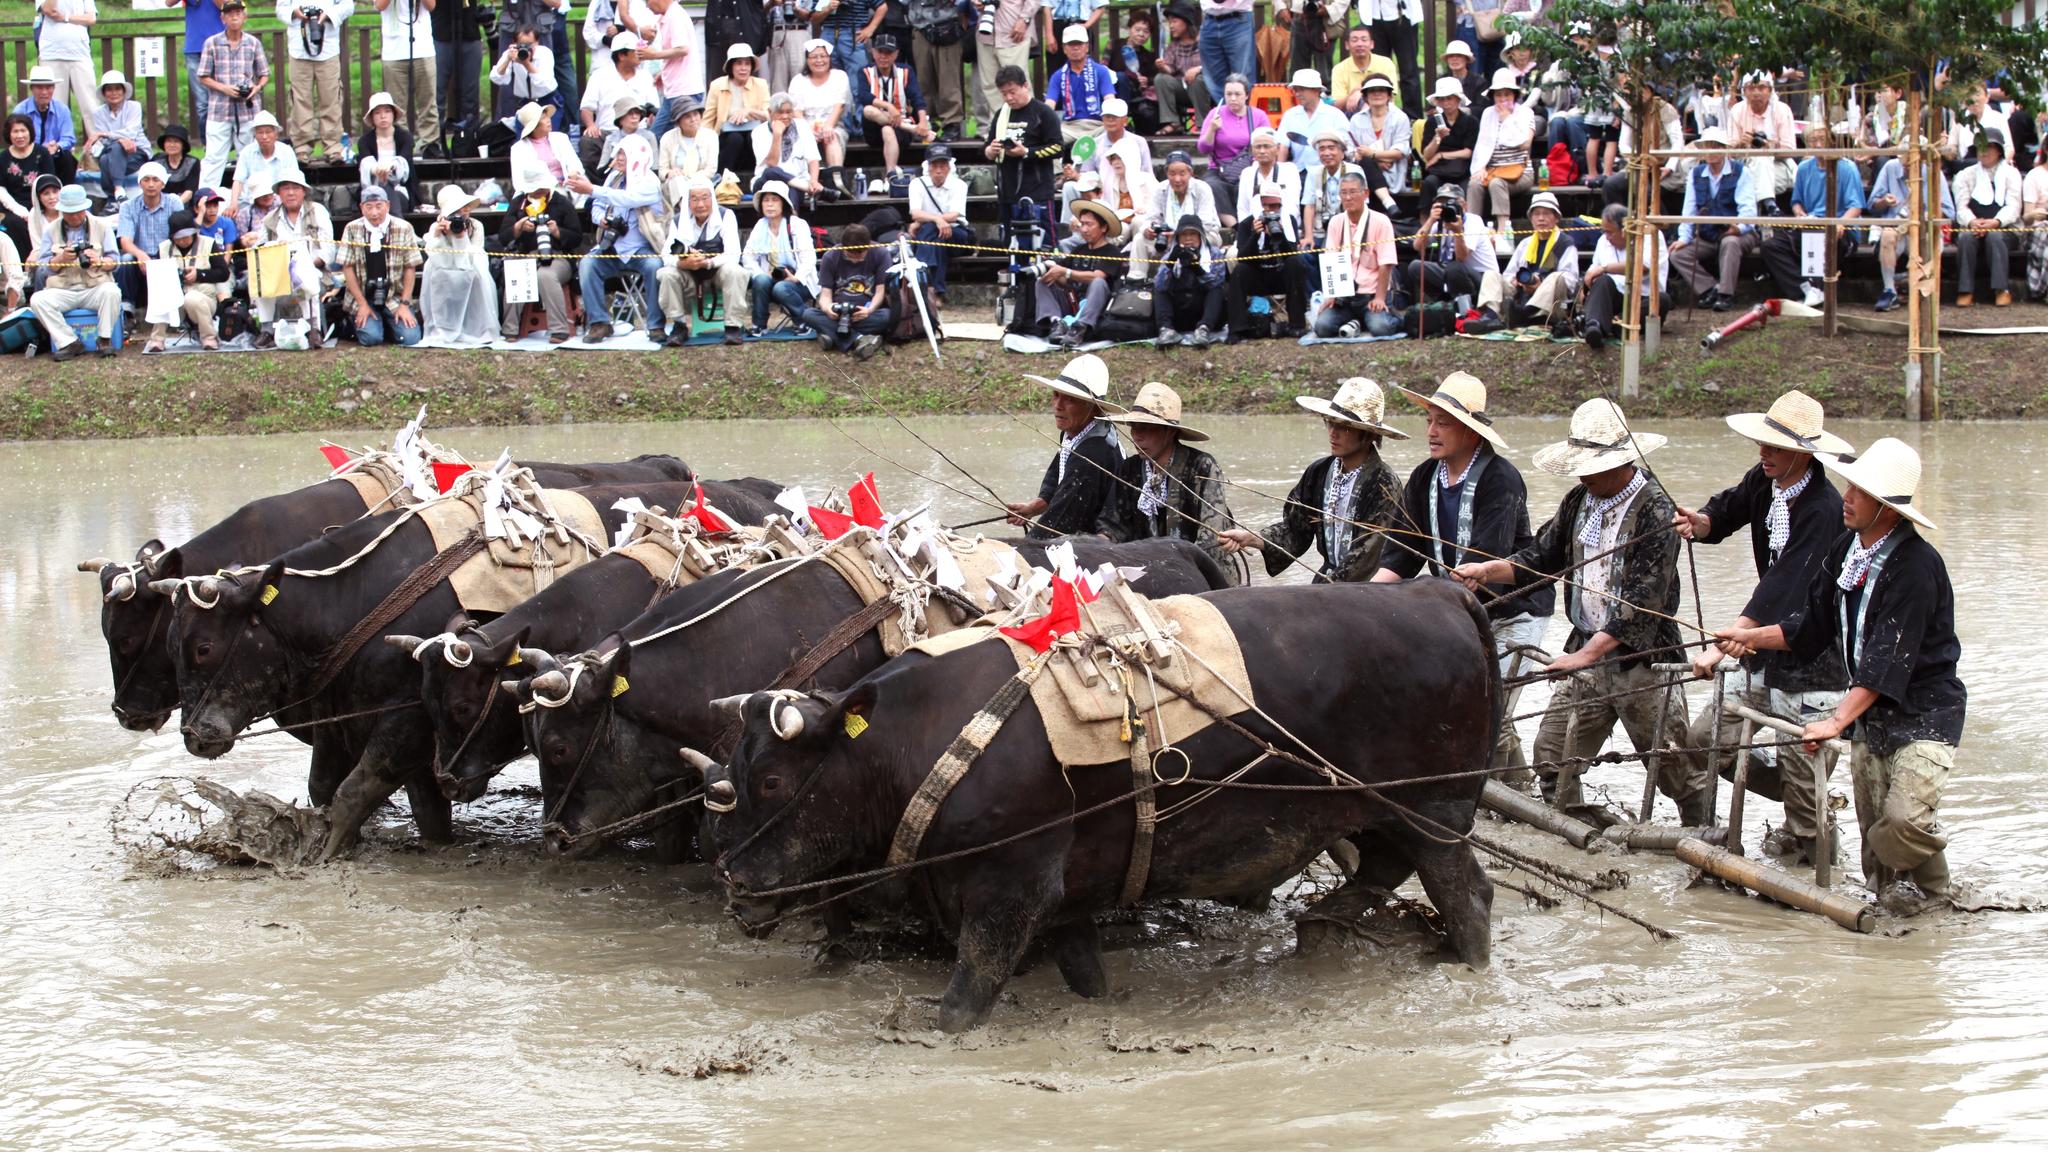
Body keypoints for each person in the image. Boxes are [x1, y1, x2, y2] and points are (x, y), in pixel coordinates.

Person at [1710, 438, 1967, 917]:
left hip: (1925, 713)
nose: (1845, 499)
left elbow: (1884, 662)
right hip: (1873, 714)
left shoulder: (1915, 566)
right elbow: (1810, 628)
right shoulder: (1848, 548)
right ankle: (1916, 916)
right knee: (1876, 848)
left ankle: (1941, 897)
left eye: (1860, 493)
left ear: (1887, 509)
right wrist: (1748, 637)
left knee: (1899, 822)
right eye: (1849, 487)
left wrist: (1833, 722)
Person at [1451, 398, 1706, 826]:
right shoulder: (1579, 499)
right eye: (1580, 465)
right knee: (1552, 758)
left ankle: (1704, 836)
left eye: (1592, 465)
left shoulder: (1657, 511)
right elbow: (1540, 556)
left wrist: (1585, 657)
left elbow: (1642, 605)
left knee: (1673, 770)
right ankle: (1585, 834)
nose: (1584, 474)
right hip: (1586, 651)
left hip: (1640, 663)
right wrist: (1488, 569)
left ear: (1623, 461)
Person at [1675, 390, 1854, 863]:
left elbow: (1785, 584)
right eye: (1762, 443)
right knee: (1706, 739)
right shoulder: (1765, 480)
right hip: (1762, 648)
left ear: (1803, 453)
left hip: (1813, 661)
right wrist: (1702, 522)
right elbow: (1729, 508)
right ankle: (1805, 802)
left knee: (1803, 791)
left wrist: (1725, 642)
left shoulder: (1823, 508)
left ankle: (1816, 841)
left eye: (1774, 447)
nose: (1763, 453)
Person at [1373, 371, 1552, 764]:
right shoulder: (1424, 477)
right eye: (1429, 421)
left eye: (1444, 423)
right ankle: (1516, 793)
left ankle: (1505, 795)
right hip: (1453, 607)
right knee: (1470, 709)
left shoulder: (1502, 479)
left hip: (1511, 610)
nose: (1432, 432)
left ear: (1471, 432)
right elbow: (1401, 554)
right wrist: (1363, 601)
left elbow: (1482, 568)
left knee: (1489, 708)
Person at [1218, 377, 1405, 581]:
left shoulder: (1384, 484)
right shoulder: (1319, 472)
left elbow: (1367, 554)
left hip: (1369, 587)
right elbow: (1295, 529)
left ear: (1369, 435)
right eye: (1330, 423)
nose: (1333, 433)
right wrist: (1253, 538)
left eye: (1345, 427)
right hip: (1327, 581)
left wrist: (1324, 591)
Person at [1099, 381, 1233, 569]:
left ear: (1169, 431)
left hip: (1201, 571)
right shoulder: (1129, 470)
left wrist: (1179, 568)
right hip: (1148, 568)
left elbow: (1212, 534)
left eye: (1145, 427)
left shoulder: (1201, 467)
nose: (1136, 435)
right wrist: (1099, 545)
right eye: (1133, 426)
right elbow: (1113, 525)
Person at [1006, 352, 1125, 537]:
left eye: (1070, 399)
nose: (1058, 405)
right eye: (1056, 395)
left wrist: (1026, 547)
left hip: (1097, 545)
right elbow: (1059, 477)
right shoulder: (1077, 433)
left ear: (1092, 407)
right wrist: (1036, 506)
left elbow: (1058, 523)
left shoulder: (1092, 456)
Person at [569, 135, 666, 342]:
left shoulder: (650, 181)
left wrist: (591, 189)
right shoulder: (613, 177)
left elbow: (627, 198)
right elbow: (597, 205)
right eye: (618, 152)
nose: (618, 157)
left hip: (641, 247)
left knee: (654, 266)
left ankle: (656, 325)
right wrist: (601, 219)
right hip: (611, 246)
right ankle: (599, 323)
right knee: (587, 264)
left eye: (623, 153)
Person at [1760, 126, 1864, 309]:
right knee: (1771, 245)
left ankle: (1816, 288)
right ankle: (1805, 289)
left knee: (1816, 233)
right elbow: (1796, 202)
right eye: (1813, 140)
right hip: (1810, 224)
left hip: (1839, 229)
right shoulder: (1804, 168)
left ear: (1831, 141)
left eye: (1822, 139)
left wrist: (1840, 224)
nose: (1818, 144)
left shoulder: (1847, 167)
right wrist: (1799, 212)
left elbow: (1855, 206)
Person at [1668, 126, 1759, 312]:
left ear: (1724, 149)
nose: (1710, 150)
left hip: (1740, 233)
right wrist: (1684, 238)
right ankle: (1710, 288)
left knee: (1731, 242)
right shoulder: (1696, 173)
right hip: (1709, 234)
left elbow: (1748, 211)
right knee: (1677, 254)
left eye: (1715, 145)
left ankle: (1726, 294)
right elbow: (1689, 210)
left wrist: (1738, 228)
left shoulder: (1741, 171)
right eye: (1707, 146)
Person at [28, 184, 120, 360]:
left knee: (112, 292)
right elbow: (44, 266)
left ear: (86, 209)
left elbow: (115, 261)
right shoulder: (51, 230)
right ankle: (69, 342)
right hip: (64, 288)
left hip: (95, 286)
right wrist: (61, 258)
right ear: (62, 211)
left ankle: (105, 339)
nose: (75, 216)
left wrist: (99, 262)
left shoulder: (102, 226)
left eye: (79, 211)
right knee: (38, 300)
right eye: (70, 212)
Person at [656, 177, 746, 346]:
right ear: (688, 202)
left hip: (717, 273)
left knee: (736, 271)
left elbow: (734, 253)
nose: (700, 204)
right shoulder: (678, 221)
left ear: (712, 198)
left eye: (705, 198)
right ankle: (679, 325)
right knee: (665, 273)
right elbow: (665, 255)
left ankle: (733, 327)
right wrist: (683, 263)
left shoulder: (726, 216)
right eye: (695, 199)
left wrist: (708, 262)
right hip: (689, 275)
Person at [248, 168, 333, 347]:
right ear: (279, 193)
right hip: (280, 274)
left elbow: (329, 251)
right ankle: (266, 330)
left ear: (304, 191)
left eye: (295, 188)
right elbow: (260, 248)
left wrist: (306, 264)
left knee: (304, 272)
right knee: (263, 278)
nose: (291, 193)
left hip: (313, 271)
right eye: (285, 188)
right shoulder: (271, 219)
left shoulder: (318, 212)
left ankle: (314, 329)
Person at [1865, 141, 1952, 313]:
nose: (1908, 167)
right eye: (1905, 162)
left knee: (1930, 239)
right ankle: (1889, 291)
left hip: (1924, 230)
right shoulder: (1890, 168)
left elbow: (1949, 212)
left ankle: (1924, 289)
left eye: (1913, 162)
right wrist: (1884, 202)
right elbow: (1872, 205)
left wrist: (1928, 215)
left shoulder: (1935, 172)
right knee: (1888, 235)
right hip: (1896, 228)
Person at [1475, 189, 1577, 333]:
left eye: (1546, 213)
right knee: (1491, 274)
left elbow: (1571, 281)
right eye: (1537, 214)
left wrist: (1541, 282)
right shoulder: (1526, 243)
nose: (1541, 218)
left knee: (1556, 277)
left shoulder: (1564, 243)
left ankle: (1528, 314)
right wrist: (1517, 281)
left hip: (1550, 302)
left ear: (1556, 218)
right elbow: (1508, 274)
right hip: (1522, 294)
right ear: (1531, 219)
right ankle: (1491, 316)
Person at [1311, 171, 1399, 338]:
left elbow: (1386, 263)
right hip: (1345, 297)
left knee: (1381, 328)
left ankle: (1388, 316)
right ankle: (1357, 321)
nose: (1348, 198)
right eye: (1344, 193)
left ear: (1365, 194)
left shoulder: (1381, 221)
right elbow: (1331, 258)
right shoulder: (1336, 222)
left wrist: (1380, 298)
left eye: (1353, 192)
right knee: (1322, 327)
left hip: (1371, 293)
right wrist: (1331, 295)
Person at [788, 220, 892, 358]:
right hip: (838, 314)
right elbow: (825, 294)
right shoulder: (831, 256)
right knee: (808, 314)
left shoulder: (880, 253)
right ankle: (859, 338)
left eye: (860, 255)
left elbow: (880, 291)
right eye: (850, 255)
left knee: (888, 316)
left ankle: (832, 336)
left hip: (867, 312)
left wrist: (869, 310)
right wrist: (827, 308)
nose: (855, 260)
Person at [495, 175, 581, 342]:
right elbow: (503, 237)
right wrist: (518, 227)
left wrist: (557, 232)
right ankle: (510, 329)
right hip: (526, 255)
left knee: (546, 275)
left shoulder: (562, 203)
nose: (538, 192)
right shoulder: (519, 202)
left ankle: (559, 329)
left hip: (558, 256)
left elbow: (577, 237)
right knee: (518, 273)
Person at [196, 0, 270, 191]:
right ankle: (205, 199)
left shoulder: (253, 43)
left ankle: (250, 199)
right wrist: (225, 88)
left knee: (249, 156)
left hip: (247, 109)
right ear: (222, 18)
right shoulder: (211, 43)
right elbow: (203, 76)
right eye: (229, 14)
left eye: (238, 13)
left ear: (244, 16)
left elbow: (264, 74)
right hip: (219, 108)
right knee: (213, 157)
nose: (234, 17)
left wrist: (256, 88)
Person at [337, 183, 423, 346]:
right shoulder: (352, 228)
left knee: (410, 338)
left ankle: (390, 325)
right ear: (362, 208)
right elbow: (347, 267)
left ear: (388, 205)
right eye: (369, 207)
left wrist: (404, 304)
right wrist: (362, 303)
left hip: (393, 296)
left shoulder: (404, 228)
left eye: (379, 206)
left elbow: (410, 267)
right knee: (371, 338)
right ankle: (364, 323)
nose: (374, 212)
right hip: (363, 295)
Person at [416, 184, 497, 346]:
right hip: (445, 268)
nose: (464, 211)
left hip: (470, 267)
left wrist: (461, 237)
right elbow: (439, 259)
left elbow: (475, 258)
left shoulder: (476, 226)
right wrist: (440, 237)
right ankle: (443, 328)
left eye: (466, 207)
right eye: (458, 209)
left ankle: (476, 328)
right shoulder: (437, 227)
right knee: (438, 276)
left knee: (478, 277)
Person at [1225, 179, 1306, 340]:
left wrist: (1280, 235)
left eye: (1274, 206)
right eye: (1265, 205)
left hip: (1280, 273)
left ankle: (1297, 324)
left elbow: (1292, 254)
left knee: (1295, 264)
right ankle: (1237, 329)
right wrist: (1256, 235)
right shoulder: (1247, 223)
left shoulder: (1289, 220)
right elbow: (1243, 257)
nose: (1269, 210)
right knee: (1240, 271)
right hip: (1257, 274)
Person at [1034, 198, 1121, 346]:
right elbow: (1065, 280)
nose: (1084, 229)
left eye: (1089, 224)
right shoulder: (1079, 250)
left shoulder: (1112, 251)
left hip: (1097, 307)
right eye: (1082, 224)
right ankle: (1056, 323)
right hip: (1072, 301)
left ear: (1104, 227)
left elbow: (1097, 276)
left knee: (1099, 282)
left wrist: (1066, 272)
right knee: (1042, 282)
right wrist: (1052, 272)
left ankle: (1080, 327)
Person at [144, 208, 232, 351]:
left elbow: (223, 273)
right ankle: (157, 340)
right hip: (175, 297)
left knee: (192, 298)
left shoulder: (208, 244)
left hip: (203, 297)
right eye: (179, 237)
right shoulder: (164, 248)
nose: (183, 240)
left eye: (186, 236)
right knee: (163, 298)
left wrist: (199, 274)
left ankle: (209, 337)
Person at [1950, 132, 2022, 307]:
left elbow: (2013, 207)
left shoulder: (2011, 174)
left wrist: (1995, 222)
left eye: (1989, 147)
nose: (1984, 152)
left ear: (1998, 151)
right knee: (1965, 238)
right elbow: (1961, 206)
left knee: (1995, 237)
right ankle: (1965, 290)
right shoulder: (1965, 175)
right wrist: (1972, 222)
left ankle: (2001, 289)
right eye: (1981, 148)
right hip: (1974, 225)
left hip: (2005, 228)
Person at [279, 0, 352, 163]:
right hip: (298, 49)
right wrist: (295, 12)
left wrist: (328, 15)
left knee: (331, 100)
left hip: (329, 48)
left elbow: (348, 6)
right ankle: (301, 149)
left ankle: (333, 148)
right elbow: (280, 9)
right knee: (300, 101)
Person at [983, 64, 1063, 212]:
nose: (1009, 98)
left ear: (1025, 86)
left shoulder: (1043, 112)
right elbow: (988, 147)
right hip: (1007, 190)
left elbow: (1058, 148)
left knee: (1042, 234)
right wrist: (991, 150)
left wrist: (1026, 152)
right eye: (1004, 93)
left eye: (1012, 92)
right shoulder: (1001, 114)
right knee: (1007, 234)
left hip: (1037, 190)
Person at [1467, 68, 1534, 240]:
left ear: (1514, 95)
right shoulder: (1488, 113)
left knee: (1497, 183)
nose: (1503, 99)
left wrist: (1507, 120)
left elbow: (1525, 143)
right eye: (1499, 95)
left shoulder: (1525, 113)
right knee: (1475, 183)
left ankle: (1503, 230)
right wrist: (1480, 167)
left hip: (1520, 170)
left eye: (1507, 95)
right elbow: (1482, 144)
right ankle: (1472, 230)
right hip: (1494, 168)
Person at [853, 35, 933, 178]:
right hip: (874, 129)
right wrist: (889, 107)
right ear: (873, 52)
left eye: (888, 53)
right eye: (880, 52)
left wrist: (922, 122)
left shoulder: (906, 71)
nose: (884, 57)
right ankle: (909, 128)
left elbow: (917, 98)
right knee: (868, 110)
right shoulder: (865, 72)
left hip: (900, 132)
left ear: (896, 54)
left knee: (888, 129)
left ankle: (890, 174)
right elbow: (863, 96)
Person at [742, 178, 815, 336]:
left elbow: (809, 259)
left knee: (781, 287)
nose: (769, 204)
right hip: (771, 277)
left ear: (784, 204)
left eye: (774, 200)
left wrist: (796, 278)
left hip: (799, 281)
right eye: (766, 200)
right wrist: (762, 273)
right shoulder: (760, 226)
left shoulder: (797, 224)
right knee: (760, 280)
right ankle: (759, 325)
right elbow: (748, 257)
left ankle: (804, 320)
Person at [1401, 184, 1493, 308]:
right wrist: (1430, 220)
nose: (1447, 207)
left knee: (1454, 267)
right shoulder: (1440, 222)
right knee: (1416, 266)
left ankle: (1465, 309)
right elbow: (1417, 246)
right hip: (1450, 272)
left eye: (1451, 202)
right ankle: (1445, 304)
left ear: (1464, 205)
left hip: (1481, 277)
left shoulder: (1473, 221)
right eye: (1442, 203)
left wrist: (1457, 232)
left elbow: (1461, 258)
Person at [581, 33, 660, 174]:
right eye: (635, 52)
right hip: (606, 133)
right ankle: (597, 185)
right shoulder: (600, 75)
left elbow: (653, 107)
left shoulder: (645, 76)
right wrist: (591, 125)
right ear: (622, 55)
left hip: (638, 132)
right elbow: (587, 108)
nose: (639, 54)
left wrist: (651, 119)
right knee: (588, 141)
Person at [1195, 74, 1262, 225]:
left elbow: (1266, 143)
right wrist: (1212, 129)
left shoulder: (1258, 116)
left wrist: (1255, 165)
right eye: (1228, 94)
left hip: (1249, 166)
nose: (1232, 98)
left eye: (1237, 94)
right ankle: (1235, 227)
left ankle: (1250, 222)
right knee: (1211, 186)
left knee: (1250, 184)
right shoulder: (1215, 114)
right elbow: (1203, 148)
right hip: (1219, 168)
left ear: (1246, 95)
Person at [787, 40, 851, 197]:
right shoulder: (798, 80)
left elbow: (839, 106)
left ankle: (836, 183)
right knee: (801, 139)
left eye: (823, 56)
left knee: (832, 136)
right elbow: (796, 111)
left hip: (833, 124)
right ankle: (805, 185)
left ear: (829, 58)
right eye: (814, 57)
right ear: (807, 60)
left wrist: (828, 126)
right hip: (805, 125)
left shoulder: (839, 76)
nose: (819, 60)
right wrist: (807, 130)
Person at [1151, 212, 1224, 346]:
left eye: (1192, 234)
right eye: (1184, 234)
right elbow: (1160, 285)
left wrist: (1197, 268)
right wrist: (1171, 263)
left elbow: (1217, 282)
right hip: (1180, 310)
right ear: (1178, 238)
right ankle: (1166, 330)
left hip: (1202, 310)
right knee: (1159, 287)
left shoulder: (1214, 253)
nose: (1188, 238)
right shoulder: (1169, 255)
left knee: (1217, 290)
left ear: (1200, 236)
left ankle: (1203, 330)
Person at [908, 143, 969, 301]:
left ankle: (923, 282)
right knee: (937, 244)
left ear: (949, 167)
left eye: (942, 166)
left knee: (928, 229)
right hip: (936, 236)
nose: (938, 170)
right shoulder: (917, 184)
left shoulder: (959, 185)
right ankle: (936, 292)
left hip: (957, 233)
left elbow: (955, 215)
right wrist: (937, 220)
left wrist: (928, 221)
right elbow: (914, 213)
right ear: (928, 167)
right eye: (934, 166)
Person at [114, 161, 178, 311]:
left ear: (163, 183)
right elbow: (125, 241)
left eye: (155, 180)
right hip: (140, 257)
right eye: (146, 180)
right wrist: (140, 255)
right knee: (126, 259)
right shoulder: (128, 207)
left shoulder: (173, 202)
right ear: (140, 183)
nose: (150, 184)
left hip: (166, 255)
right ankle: (127, 308)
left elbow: (180, 236)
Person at [1725, 69, 1797, 198]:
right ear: (1744, 91)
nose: (1756, 93)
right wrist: (1742, 144)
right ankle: (1768, 203)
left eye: (1761, 87)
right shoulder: (1737, 110)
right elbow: (1730, 152)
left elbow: (1790, 150)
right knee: (1758, 165)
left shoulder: (1781, 110)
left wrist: (1769, 146)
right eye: (1751, 88)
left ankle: (1762, 205)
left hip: (1777, 166)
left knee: (1758, 165)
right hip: (1744, 165)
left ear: (1770, 91)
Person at [375, 0, 439, 144]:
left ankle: (430, 143)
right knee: (396, 106)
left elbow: (431, 6)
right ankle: (401, 145)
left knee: (428, 102)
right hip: (393, 50)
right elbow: (380, 5)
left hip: (423, 48)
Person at [704, 42, 771, 179]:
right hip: (726, 141)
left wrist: (749, 111)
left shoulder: (760, 84)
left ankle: (759, 178)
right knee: (735, 138)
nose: (743, 68)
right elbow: (708, 121)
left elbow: (770, 116)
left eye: (747, 64)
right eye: (739, 63)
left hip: (752, 141)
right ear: (731, 66)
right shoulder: (717, 85)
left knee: (753, 136)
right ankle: (721, 179)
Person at [1045, 25, 1118, 144]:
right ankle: (1060, 164)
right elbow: (1049, 104)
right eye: (1071, 44)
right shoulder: (1058, 76)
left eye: (1079, 44)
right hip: (1069, 127)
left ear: (1087, 47)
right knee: (1048, 137)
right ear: (1064, 49)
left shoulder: (1101, 71)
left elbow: (1110, 99)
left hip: (1098, 126)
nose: (1075, 48)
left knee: (1114, 132)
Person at [1347, 74, 1409, 213]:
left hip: (1393, 175)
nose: (1376, 94)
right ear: (1365, 96)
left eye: (1381, 90)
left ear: (1389, 95)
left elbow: (1400, 152)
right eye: (1372, 90)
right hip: (1363, 178)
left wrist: (1372, 154)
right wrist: (1375, 160)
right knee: (1365, 162)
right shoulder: (1356, 120)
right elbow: (1352, 151)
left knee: (1367, 160)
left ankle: (1388, 201)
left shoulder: (1400, 118)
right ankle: (1388, 202)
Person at [640, 0, 701, 140]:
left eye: (647, 1)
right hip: (676, 90)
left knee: (658, 137)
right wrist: (665, 72)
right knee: (662, 137)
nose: (647, 6)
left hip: (684, 92)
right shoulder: (669, 16)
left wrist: (653, 55)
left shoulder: (676, 16)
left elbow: (683, 49)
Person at [906, 0, 965, 140]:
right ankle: (925, 122)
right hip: (919, 27)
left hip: (947, 26)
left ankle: (951, 123)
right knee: (923, 81)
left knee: (949, 80)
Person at [85, 70, 149, 200]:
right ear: (104, 93)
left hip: (136, 152)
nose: (114, 93)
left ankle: (113, 196)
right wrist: (120, 140)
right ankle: (117, 194)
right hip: (112, 153)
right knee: (107, 157)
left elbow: (132, 132)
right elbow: (104, 142)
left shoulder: (134, 107)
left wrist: (106, 134)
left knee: (109, 156)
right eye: (109, 89)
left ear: (124, 91)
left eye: (117, 89)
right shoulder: (98, 113)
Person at [33, 0, 99, 124]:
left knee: (90, 103)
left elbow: (91, 18)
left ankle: (99, 142)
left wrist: (65, 17)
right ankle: (57, 142)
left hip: (80, 53)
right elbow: (47, 9)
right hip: (51, 53)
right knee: (55, 105)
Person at [356, 93, 420, 212]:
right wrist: (377, 170)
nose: (383, 116)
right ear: (372, 117)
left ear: (393, 114)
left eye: (387, 111)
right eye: (377, 112)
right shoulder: (364, 141)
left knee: (388, 188)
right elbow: (366, 164)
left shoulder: (405, 138)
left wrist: (389, 168)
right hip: (372, 192)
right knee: (381, 189)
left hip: (400, 191)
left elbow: (404, 164)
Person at [1, 116, 55, 259]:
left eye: (23, 131)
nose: (19, 135)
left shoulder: (42, 153)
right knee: (12, 223)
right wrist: (17, 209)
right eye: (15, 131)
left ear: (30, 132)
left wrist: (37, 207)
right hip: (13, 206)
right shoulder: (3, 158)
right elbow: (1, 189)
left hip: (40, 202)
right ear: (9, 134)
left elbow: (48, 182)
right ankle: (23, 265)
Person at [1418, 75, 1477, 204]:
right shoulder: (1432, 122)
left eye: (1449, 98)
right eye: (1442, 99)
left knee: (1468, 188)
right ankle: (1426, 220)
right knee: (1429, 183)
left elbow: (1468, 152)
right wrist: (1437, 137)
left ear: (1458, 99)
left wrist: (1441, 155)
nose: (1446, 102)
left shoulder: (1470, 122)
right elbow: (1427, 155)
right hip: (1439, 171)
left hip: (1462, 171)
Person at [1146, 150, 1220, 251]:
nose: (1177, 179)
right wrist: (1149, 230)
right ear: (1166, 174)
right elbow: (1151, 217)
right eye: (1172, 174)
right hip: (1166, 236)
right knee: (1139, 240)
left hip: (1200, 233)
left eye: (1182, 174)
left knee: (1190, 240)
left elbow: (1206, 223)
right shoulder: (1160, 189)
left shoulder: (1202, 189)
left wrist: (1178, 234)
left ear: (1190, 173)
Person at [1299, 128, 1362, 249]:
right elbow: (1309, 206)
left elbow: (1361, 206)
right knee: (1301, 256)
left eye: (1331, 148)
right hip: (1320, 231)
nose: (1326, 153)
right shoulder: (1313, 173)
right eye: (1322, 149)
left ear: (1342, 153)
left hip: (1348, 231)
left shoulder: (1355, 171)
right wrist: (1308, 236)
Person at [1274, 69, 1347, 170]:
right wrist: (1280, 173)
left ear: (1316, 90)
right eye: (1295, 90)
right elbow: (1283, 146)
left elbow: (1345, 146)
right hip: (1298, 171)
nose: (1297, 94)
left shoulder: (1335, 115)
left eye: (1302, 89)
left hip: (1327, 170)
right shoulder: (1290, 115)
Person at [752, 94, 821, 199]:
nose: (785, 116)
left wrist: (814, 181)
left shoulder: (802, 126)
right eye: (780, 112)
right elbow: (772, 163)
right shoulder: (758, 132)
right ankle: (807, 188)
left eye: (788, 112)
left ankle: (793, 215)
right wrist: (777, 135)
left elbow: (813, 158)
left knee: (791, 190)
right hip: (766, 182)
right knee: (771, 172)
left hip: (798, 181)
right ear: (770, 112)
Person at [510, 98, 583, 198]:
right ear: (534, 126)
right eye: (543, 118)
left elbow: (575, 163)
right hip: (537, 194)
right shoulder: (518, 149)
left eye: (547, 116)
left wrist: (574, 172)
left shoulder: (561, 138)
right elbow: (519, 182)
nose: (548, 120)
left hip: (568, 190)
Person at [1153, 3, 1209, 133]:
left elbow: (1215, 66)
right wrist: (1162, 67)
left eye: (1174, 21)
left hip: (1205, 90)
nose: (1171, 26)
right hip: (1183, 91)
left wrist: (1198, 69)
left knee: (1197, 80)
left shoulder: (1204, 41)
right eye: (1169, 22)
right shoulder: (1173, 46)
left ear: (1186, 22)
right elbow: (1170, 70)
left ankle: (1202, 125)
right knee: (1161, 78)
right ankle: (1173, 122)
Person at [228, 111, 293, 217]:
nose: (264, 136)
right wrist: (233, 203)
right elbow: (238, 180)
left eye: (268, 132)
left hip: (279, 203)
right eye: (260, 132)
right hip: (251, 202)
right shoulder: (247, 152)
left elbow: (293, 180)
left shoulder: (286, 152)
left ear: (276, 134)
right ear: (255, 135)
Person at [489, 23, 560, 117]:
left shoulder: (545, 53)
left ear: (537, 42)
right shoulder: (511, 53)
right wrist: (507, 59)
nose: (526, 48)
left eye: (530, 44)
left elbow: (544, 83)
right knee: (522, 131)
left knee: (546, 130)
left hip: (548, 100)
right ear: (515, 43)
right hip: (524, 103)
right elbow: (496, 78)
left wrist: (526, 64)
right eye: (522, 44)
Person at [656, 95, 715, 205]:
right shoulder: (667, 138)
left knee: (700, 186)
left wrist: (691, 181)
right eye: (687, 116)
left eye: (696, 114)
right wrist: (670, 172)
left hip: (702, 181)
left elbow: (711, 170)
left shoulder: (711, 136)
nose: (693, 119)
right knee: (677, 181)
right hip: (675, 184)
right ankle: (685, 209)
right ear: (678, 121)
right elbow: (662, 171)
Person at [1233, 126, 1300, 222]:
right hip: (1255, 229)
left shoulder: (1289, 170)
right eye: (1258, 147)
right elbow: (1243, 209)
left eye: (1267, 146)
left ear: (1277, 149)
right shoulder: (1247, 173)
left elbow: (1292, 207)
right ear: (1252, 150)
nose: (1262, 151)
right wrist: (1248, 229)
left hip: (1284, 227)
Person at [182, 0, 227, 143]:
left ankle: (225, 143)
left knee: (223, 98)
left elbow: (225, 7)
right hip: (193, 47)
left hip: (218, 46)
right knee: (202, 103)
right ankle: (208, 145)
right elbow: (169, 3)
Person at [1196, 0, 1255, 105]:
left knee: (1243, 77)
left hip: (1238, 17)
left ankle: (1244, 117)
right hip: (1209, 18)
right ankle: (1226, 115)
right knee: (1213, 80)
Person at [1364, 0, 1420, 111]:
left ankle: (1413, 117)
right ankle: (1380, 113)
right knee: (1379, 71)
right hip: (1374, 14)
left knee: (1409, 71)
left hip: (1403, 13)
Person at [1331, 25, 1397, 114]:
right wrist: (1353, 95)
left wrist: (1361, 93)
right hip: (1351, 114)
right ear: (1347, 45)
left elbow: (1389, 96)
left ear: (1372, 44)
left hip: (1383, 112)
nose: (1360, 44)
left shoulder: (1385, 63)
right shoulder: (1339, 69)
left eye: (1364, 40)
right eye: (1355, 40)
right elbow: (1337, 105)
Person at [155, 124, 201, 206]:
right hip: (159, 203)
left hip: (184, 204)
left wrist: (174, 206)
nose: (172, 145)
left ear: (183, 145)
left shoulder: (192, 162)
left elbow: (189, 191)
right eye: (168, 141)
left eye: (176, 141)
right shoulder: (157, 161)